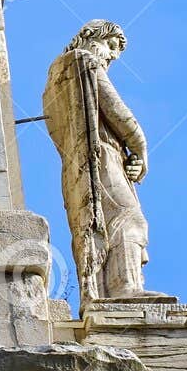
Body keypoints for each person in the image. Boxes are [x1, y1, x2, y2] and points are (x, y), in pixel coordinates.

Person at [42, 19, 164, 303]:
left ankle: (108, 288)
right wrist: (140, 147)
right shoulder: (84, 60)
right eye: (109, 46)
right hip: (102, 157)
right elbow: (116, 110)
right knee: (128, 219)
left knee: (106, 222)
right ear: (89, 37)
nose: (110, 56)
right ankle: (124, 287)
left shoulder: (53, 81)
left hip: (85, 163)